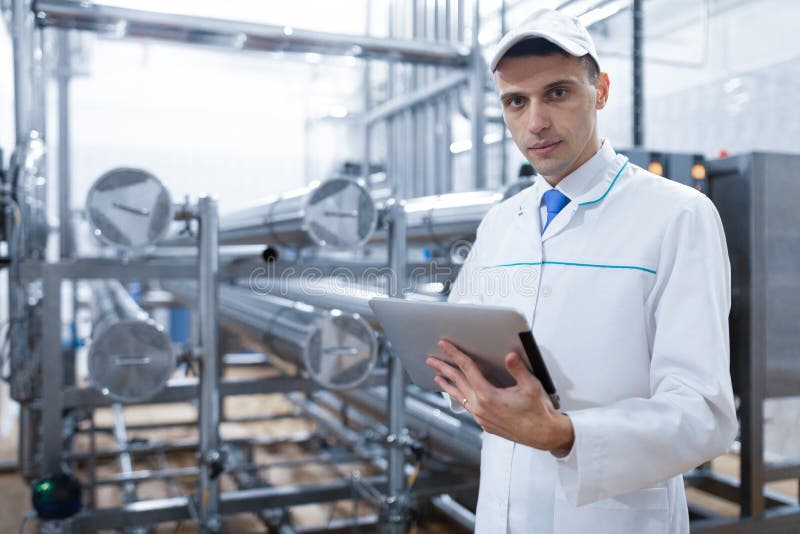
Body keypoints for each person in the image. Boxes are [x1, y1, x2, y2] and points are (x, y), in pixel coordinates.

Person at [425, 9, 737, 534]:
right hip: (502, 515)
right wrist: (461, 386)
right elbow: (457, 356)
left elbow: (704, 415)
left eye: (557, 93)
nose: (536, 123)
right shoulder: (503, 222)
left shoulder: (677, 215)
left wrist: (562, 434)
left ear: (602, 90)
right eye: (515, 102)